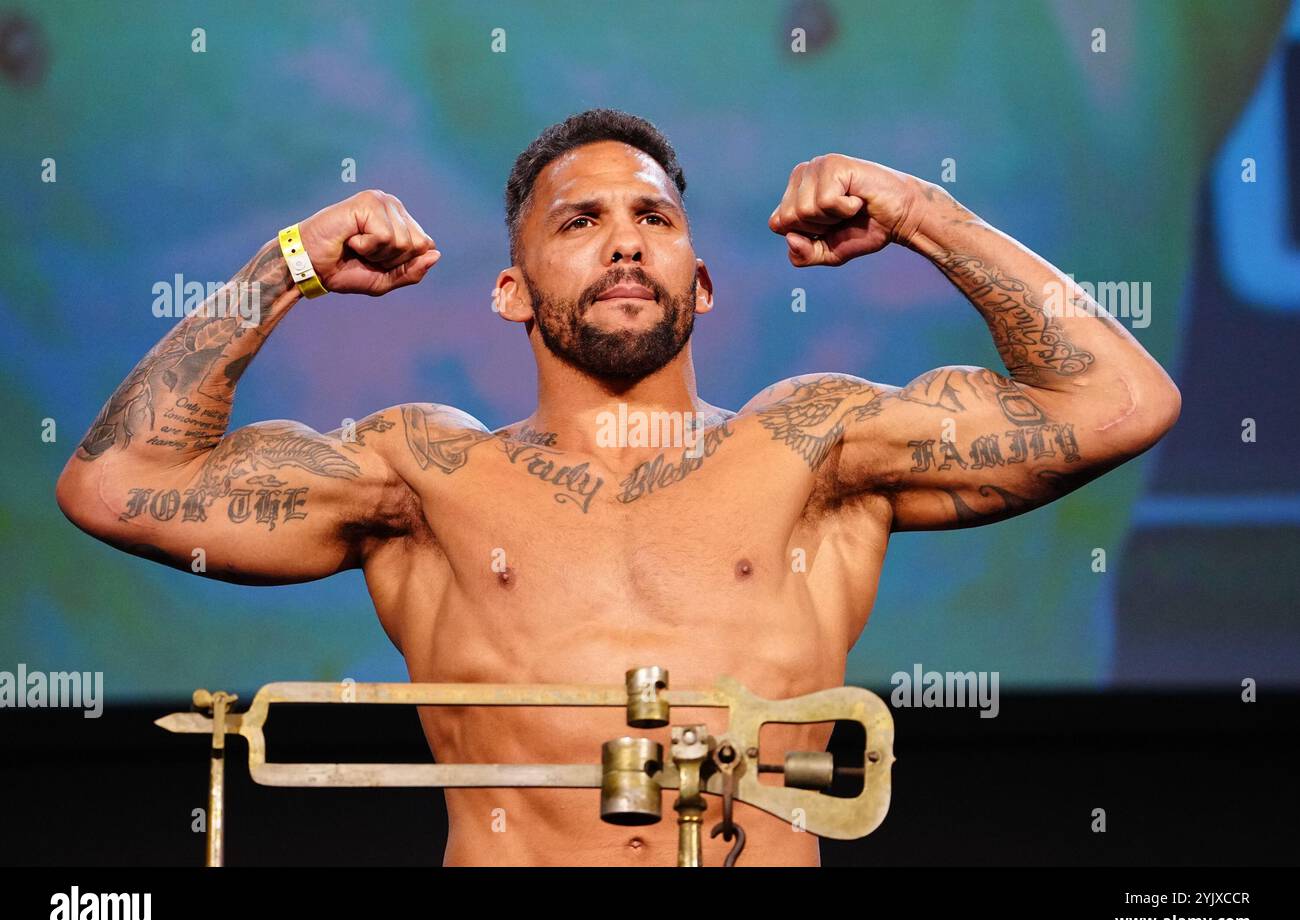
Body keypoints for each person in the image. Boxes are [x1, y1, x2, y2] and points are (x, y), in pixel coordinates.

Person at [55, 108, 1180, 866]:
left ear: (702, 279)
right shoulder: (425, 470)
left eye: (654, 219)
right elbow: (115, 483)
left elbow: (1121, 406)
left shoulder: (815, 443)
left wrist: (923, 213)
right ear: (509, 288)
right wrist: (285, 264)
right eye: (580, 221)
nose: (625, 243)